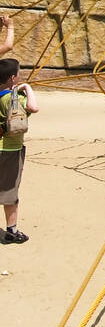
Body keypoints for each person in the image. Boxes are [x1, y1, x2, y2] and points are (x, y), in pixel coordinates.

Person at [0, 58, 38, 244]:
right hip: (10, 149)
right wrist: (27, 88)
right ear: (13, 78)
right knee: (9, 191)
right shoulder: (14, 99)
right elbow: (33, 107)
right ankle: (12, 231)